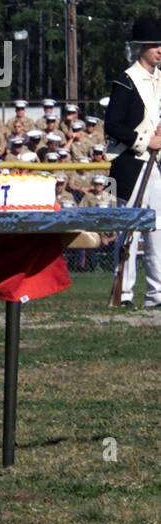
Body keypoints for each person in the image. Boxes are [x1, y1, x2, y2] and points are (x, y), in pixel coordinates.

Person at [105, 15, 161, 307]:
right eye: (154, 44)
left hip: (157, 167)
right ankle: (123, 294)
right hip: (131, 165)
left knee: (157, 232)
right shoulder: (126, 81)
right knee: (129, 233)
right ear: (142, 47)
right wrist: (145, 141)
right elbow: (112, 125)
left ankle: (157, 294)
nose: (160, 50)